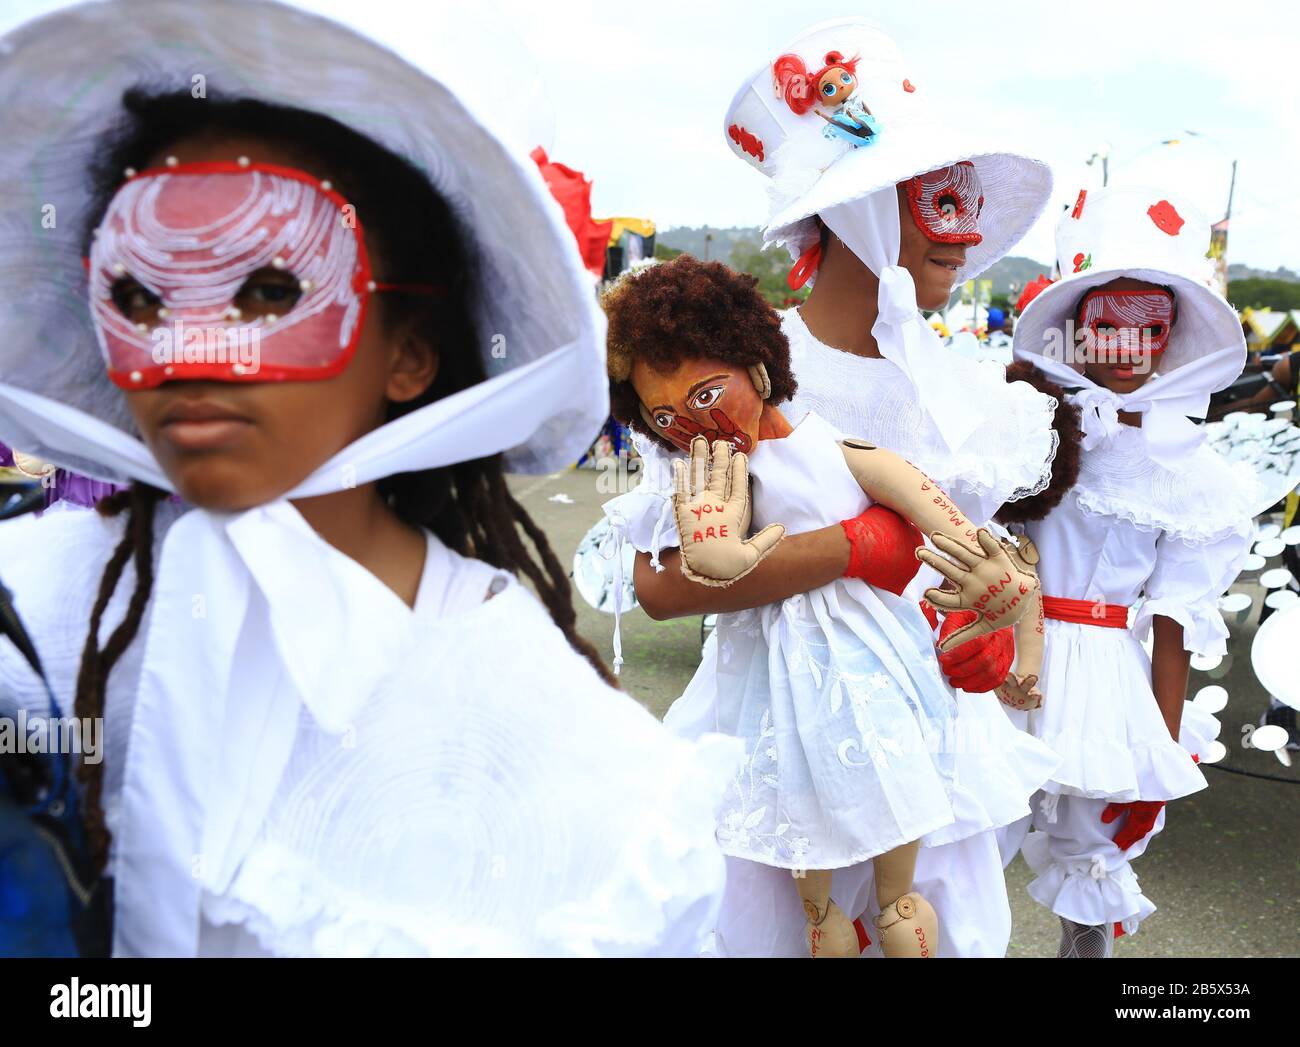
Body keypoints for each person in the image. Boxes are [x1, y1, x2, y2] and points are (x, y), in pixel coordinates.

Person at [0, 0, 734, 957]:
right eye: (143, 294)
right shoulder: (30, 612)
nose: (191, 351)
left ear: (413, 353)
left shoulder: (577, 764)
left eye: (269, 291)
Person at [612, 18, 1074, 957]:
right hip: (775, 730)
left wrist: (990, 612)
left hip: (933, 735)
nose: (970, 231)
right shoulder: (744, 376)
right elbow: (658, 582)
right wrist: (851, 549)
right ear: (861, 206)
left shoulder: (969, 390)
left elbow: (972, 550)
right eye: (940, 199)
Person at [604, 254, 1042, 956]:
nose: (690, 424)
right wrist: (725, 554)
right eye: (665, 416)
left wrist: (990, 584)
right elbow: (667, 581)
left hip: (879, 657)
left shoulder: (838, 446)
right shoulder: (709, 477)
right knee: (796, 804)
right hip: (769, 676)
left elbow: (937, 511)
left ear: (756, 365)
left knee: (893, 783)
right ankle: (822, 919)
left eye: (706, 397)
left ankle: (899, 904)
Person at [1005, 185, 1254, 957]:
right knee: (961, 853)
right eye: (1107, 325)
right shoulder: (1029, 428)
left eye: (1148, 327)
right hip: (1003, 656)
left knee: (1094, 869)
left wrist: (1161, 758)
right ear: (1079, 331)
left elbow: (1173, 619)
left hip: (1108, 682)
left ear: (1170, 338)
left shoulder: (1192, 472)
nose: (1126, 346)